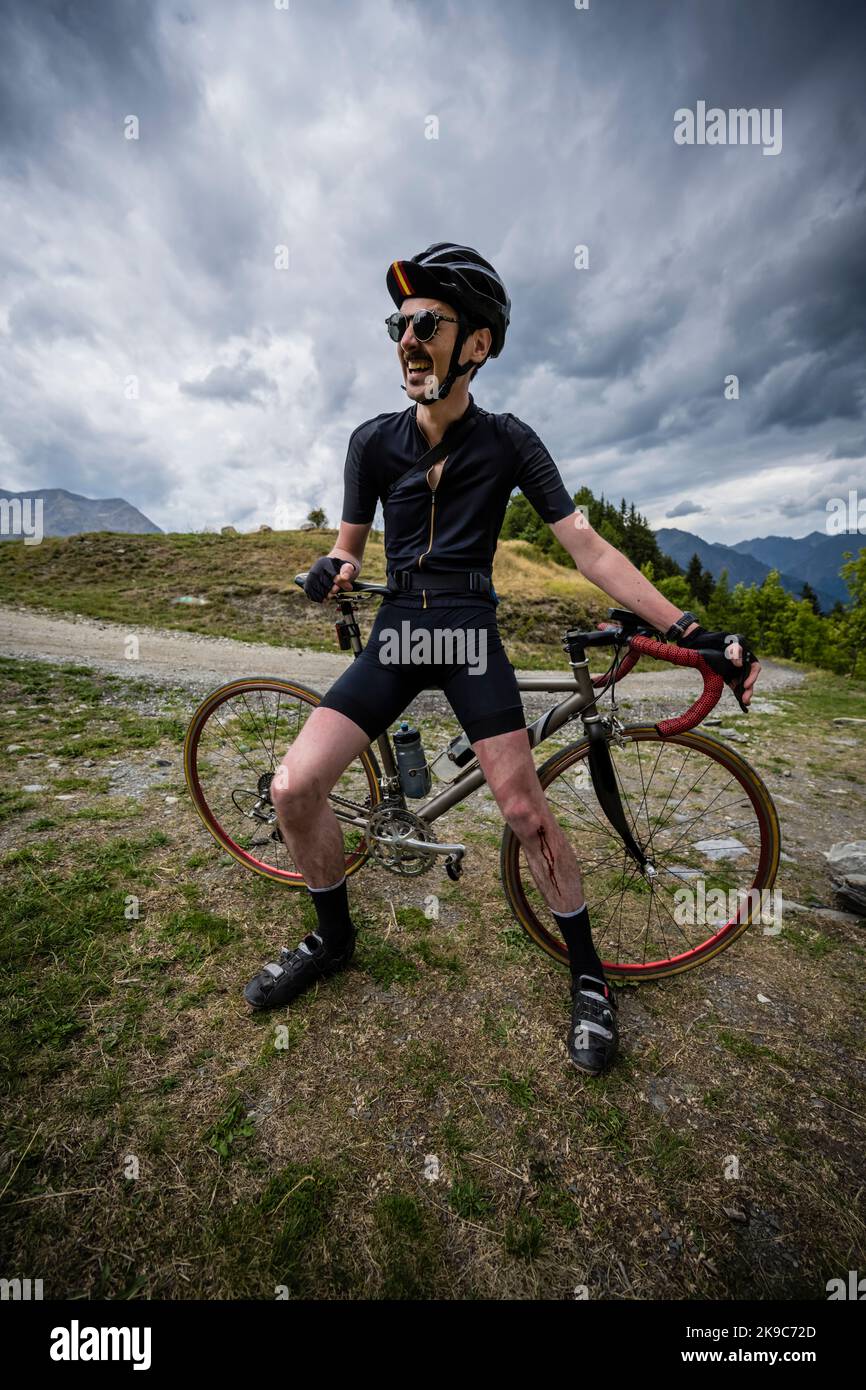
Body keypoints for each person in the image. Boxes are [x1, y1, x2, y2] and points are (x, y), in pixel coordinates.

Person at [243, 243, 761, 1075]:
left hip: (467, 632)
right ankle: (332, 938)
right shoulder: (370, 443)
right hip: (398, 635)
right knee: (294, 786)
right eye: (399, 326)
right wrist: (331, 568)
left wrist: (692, 628)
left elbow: (589, 550)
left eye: (427, 324)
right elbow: (348, 552)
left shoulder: (511, 440)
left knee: (523, 810)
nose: (408, 339)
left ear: (476, 344)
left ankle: (589, 977)